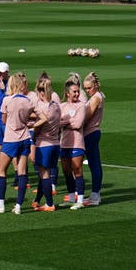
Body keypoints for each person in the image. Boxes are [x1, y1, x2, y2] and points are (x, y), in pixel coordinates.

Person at [0, 71, 34, 214]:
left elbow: (3, 120)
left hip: (10, 139)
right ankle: (19, 206)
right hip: (25, 137)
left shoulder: (7, 100)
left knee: (1, 170)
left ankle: (1, 204)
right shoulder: (27, 101)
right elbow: (31, 116)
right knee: (22, 172)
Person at [30, 74, 61, 212]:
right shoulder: (56, 106)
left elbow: (37, 128)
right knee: (44, 174)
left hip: (44, 144)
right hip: (55, 143)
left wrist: (32, 133)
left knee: (44, 174)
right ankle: (37, 200)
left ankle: (49, 204)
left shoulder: (42, 107)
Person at [59, 80, 87, 210]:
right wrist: (69, 121)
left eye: (77, 91)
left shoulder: (81, 106)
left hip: (77, 142)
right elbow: (57, 123)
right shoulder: (62, 106)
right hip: (64, 143)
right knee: (66, 171)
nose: (77, 94)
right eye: (74, 92)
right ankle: (71, 198)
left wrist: (65, 121)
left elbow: (78, 124)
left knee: (77, 170)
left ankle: (80, 200)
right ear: (67, 93)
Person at [81, 71, 105, 206]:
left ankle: (93, 196)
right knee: (94, 164)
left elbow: (86, 117)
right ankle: (94, 195)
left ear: (95, 85)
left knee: (93, 164)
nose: (87, 90)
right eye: (85, 88)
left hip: (89, 133)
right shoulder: (98, 95)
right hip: (93, 132)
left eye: (89, 87)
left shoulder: (96, 98)